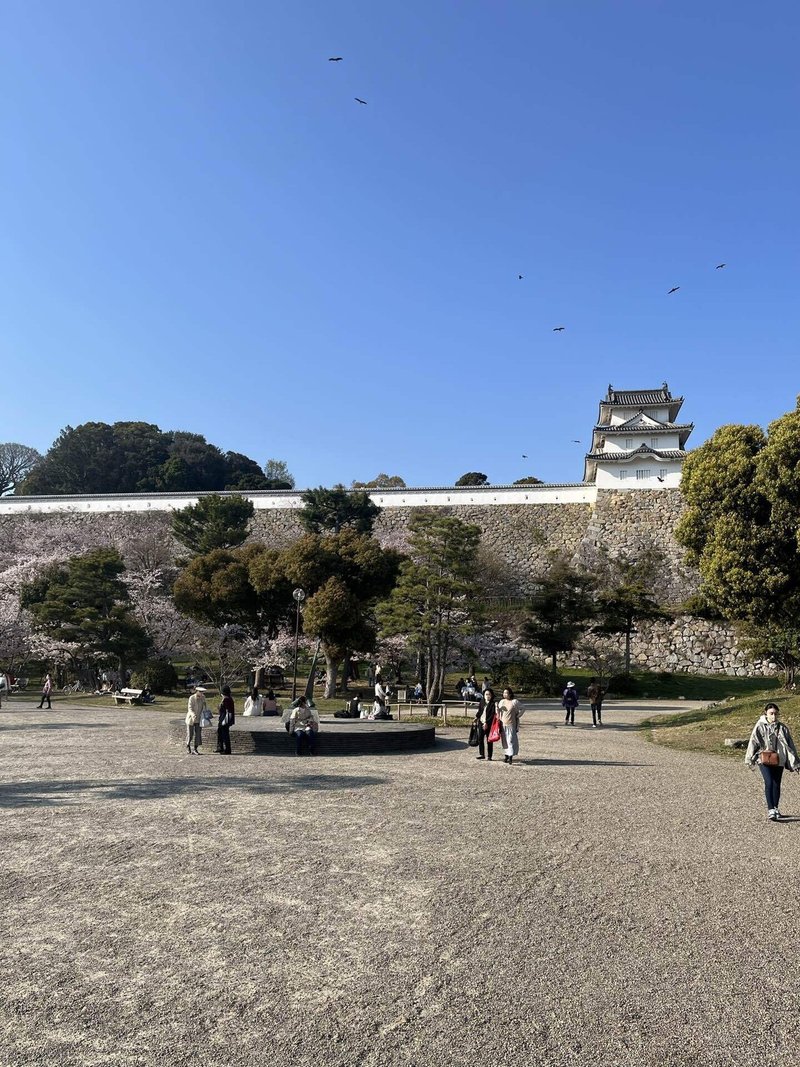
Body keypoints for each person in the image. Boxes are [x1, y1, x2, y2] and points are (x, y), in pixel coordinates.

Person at [745, 702, 799, 821]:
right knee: (769, 782)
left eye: (775, 713)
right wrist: (749, 758)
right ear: (766, 713)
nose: (773, 716)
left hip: (779, 759)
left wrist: (795, 763)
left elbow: (790, 746)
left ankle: (776, 808)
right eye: (771, 713)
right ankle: (770, 809)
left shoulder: (783, 728)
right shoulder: (760, 726)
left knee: (776, 784)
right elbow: (753, 741)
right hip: (763, 758)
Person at [498, 687, 523, 764]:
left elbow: (523, 708)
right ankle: (506, 755)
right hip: (503, 724)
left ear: (510, 694)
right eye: (504, 693)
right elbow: (498, 712)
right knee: (504, 741)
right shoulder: (502, 702)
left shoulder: (514, 702)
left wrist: (518, 716)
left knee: (510, 740)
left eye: (506, 693)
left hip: (511, 724)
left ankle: (510, 757)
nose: (505, 694)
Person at [475, 687, 497, 761]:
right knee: (480, 739)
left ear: (491, 695)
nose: (487, 696)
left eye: (489, 694)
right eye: (486, 694)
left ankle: (489, 756)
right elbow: (480, 711)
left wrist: (486, 723)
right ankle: (482, 754)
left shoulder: (493, 704)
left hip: (489, 724)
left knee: (489, 740)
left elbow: (492, 715)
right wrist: (476, 717)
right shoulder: (482, 702)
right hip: (481, 722)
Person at [185, 686, 207, 753]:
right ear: (197, 691)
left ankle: (195, 748)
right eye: (200, 692)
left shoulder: (203, 698)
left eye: (202, 692)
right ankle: (188, 745)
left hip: (199, 719)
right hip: (191, 719)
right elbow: (190, 708)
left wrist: (205, 711)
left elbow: (205, 707)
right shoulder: (191, 698)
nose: (201, 693)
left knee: (198, 734)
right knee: (190, 734)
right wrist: (193, 714)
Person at [216, 685, 235, 755]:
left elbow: (228, 711)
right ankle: (220, 747)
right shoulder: (228, 699)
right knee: (220, 733)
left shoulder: (227, 700)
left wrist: (225, 721)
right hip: (223, 719)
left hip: (225, 720)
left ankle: (227, 749)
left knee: (225, 735)